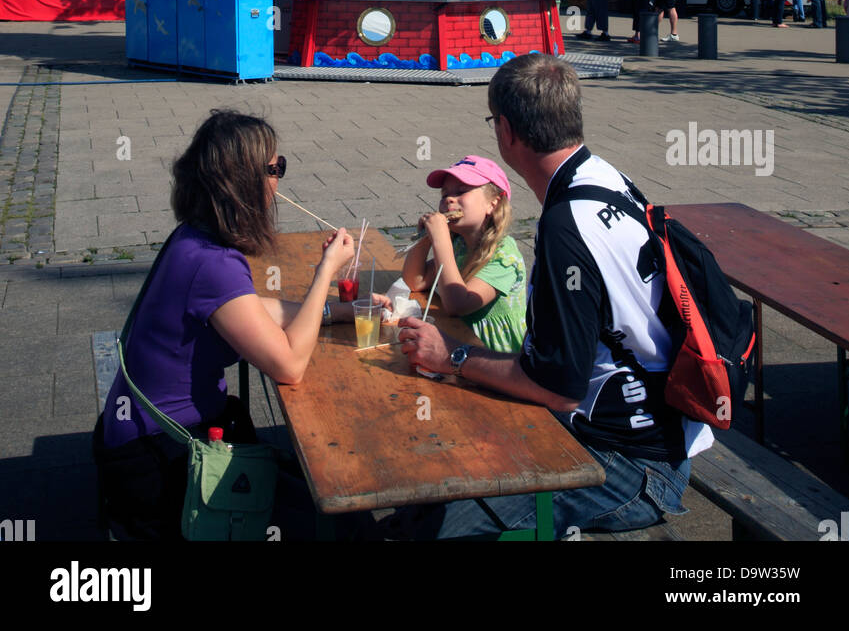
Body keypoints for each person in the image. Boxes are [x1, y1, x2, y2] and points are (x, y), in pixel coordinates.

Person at [397, 54, 711, 540]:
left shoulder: (568, 227)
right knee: (434, 475)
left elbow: (558, 386)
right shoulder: (604, 177)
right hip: (657, 429)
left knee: (439, 523)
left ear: (506, 131)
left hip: (630, 463)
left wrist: (453, 354)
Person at [92, 109, 388, 541]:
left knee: (311, 494)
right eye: (274, 168)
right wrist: (326, 269)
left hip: (135, 436)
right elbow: (289, 365)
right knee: (347, 524)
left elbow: (250, 308)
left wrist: (334, 311)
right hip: (155, 462)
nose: (279, 177)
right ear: (243, 183)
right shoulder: (213, 263)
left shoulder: (192, 237)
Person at [402, 156, 527, 353]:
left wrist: (441, 241)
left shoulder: (504, 256)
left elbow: (458, 304)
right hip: (458, 340)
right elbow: (415, 282)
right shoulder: (459, 244)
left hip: (494, 356)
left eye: (461, 192)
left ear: (492, 204)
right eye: (444, 195)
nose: (449, 199)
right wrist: (424, 239)